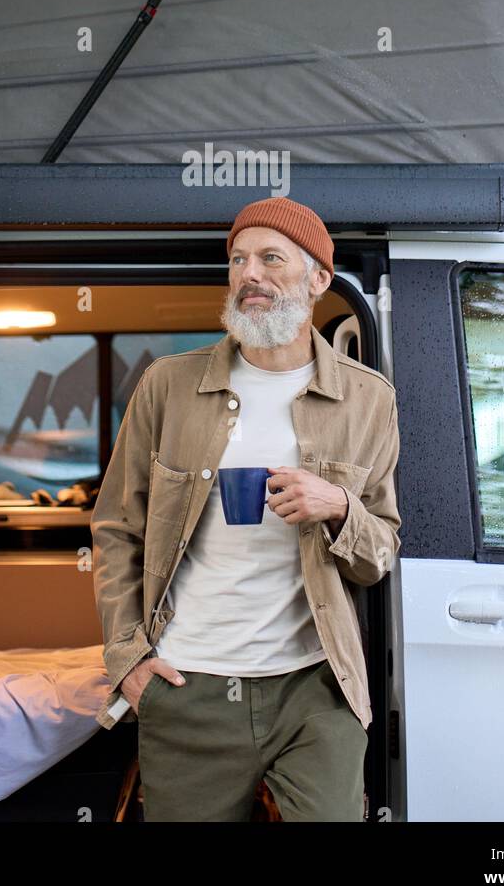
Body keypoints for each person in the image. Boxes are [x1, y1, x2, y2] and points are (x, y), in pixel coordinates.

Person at [90, 196, 401, 821]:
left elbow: (379, 553)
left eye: (270, 259)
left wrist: (339, 507)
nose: (249, 274)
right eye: (237, 260)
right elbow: (117, 529)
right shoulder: (168, 386)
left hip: (316, 686)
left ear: (319, 279)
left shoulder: (368, 399)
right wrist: (128, 659)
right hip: (188, 684)